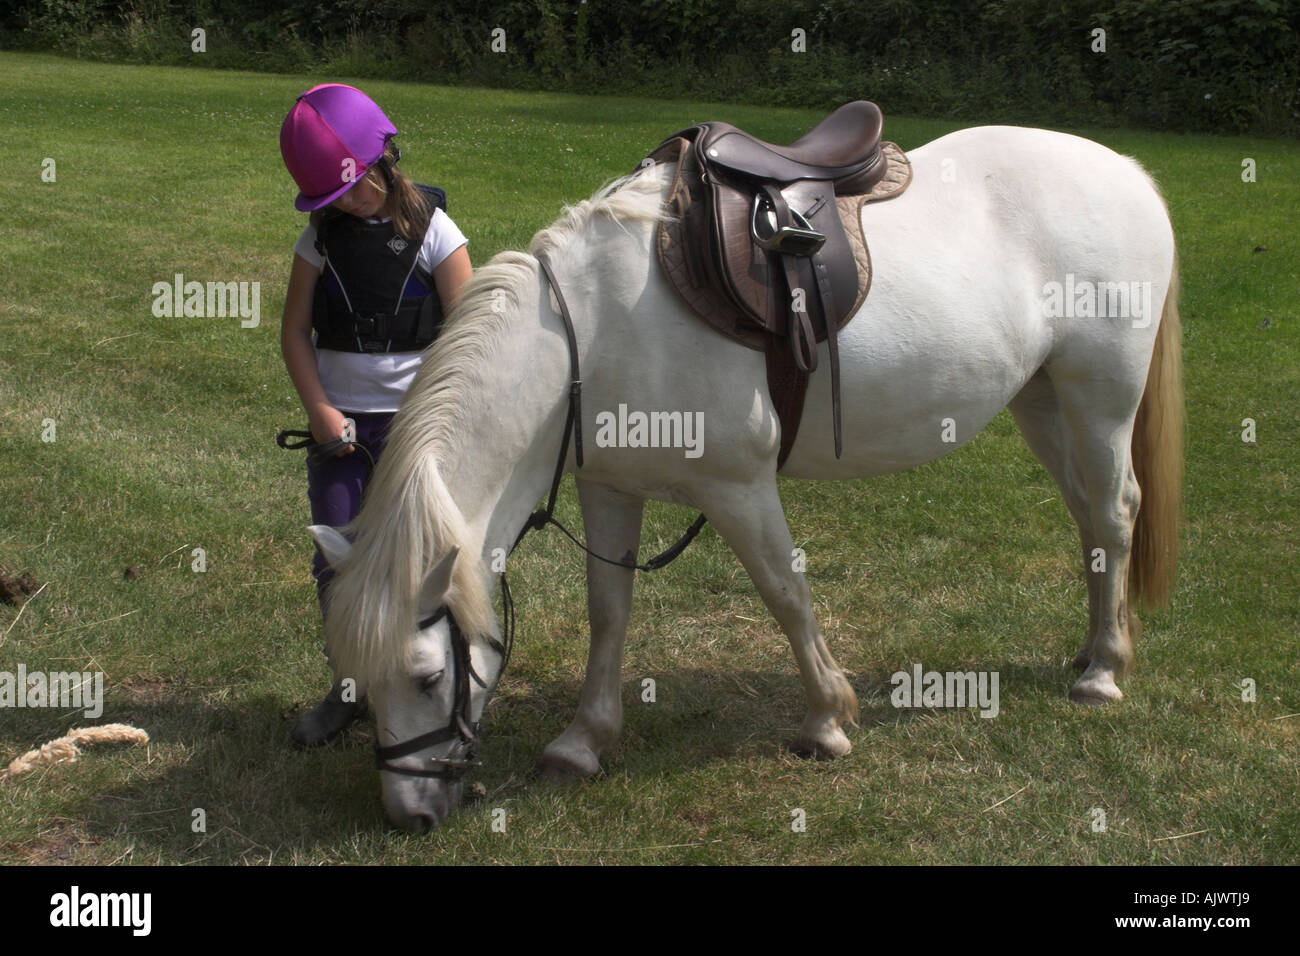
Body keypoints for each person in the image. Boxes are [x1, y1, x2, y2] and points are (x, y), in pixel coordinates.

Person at [278, 83, 472, 746]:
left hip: (417, 430)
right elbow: (294, 332)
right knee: (337, 554)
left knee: (424, 558)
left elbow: (469, 337)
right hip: (341, 432)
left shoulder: (435, 233)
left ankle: (436, 676)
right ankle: (350, 686)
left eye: (354, 188)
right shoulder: (320, 242)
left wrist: (436, 419)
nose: (347, 205)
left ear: (386, 160)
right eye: (332, 198)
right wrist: (320, 408)